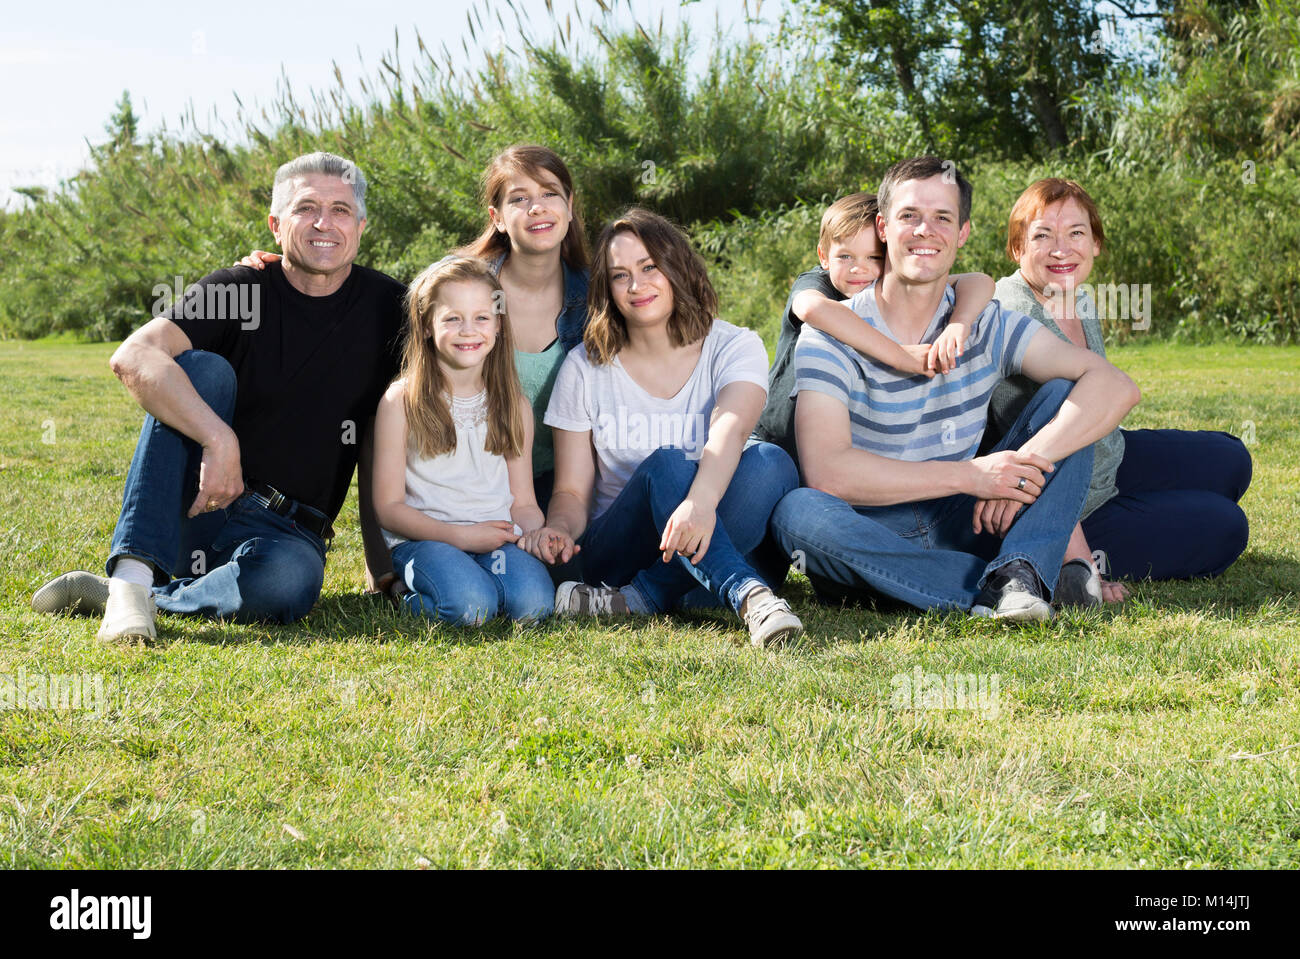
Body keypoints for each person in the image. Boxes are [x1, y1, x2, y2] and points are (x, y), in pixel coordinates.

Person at [32, 152, 404, 642]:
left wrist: (383, 567)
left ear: (359, 225)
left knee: (288, 585)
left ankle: (141, 595)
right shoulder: (238, 287)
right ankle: (132, 584)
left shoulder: (391, 308)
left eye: (339, 210)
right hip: (200, 506)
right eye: (305, 207)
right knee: (200, 368)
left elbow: (388, 430)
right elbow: (134, 355)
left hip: (289, 534)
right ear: (275, 225)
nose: (323, 223)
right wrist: (219, 438)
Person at [771, 156, 1142, 622]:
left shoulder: (984, 322)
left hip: (972, 519)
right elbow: (830, 473)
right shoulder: (832, 333)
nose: (926, 230)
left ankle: (1018, 571)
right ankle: (1006, 581)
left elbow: (1115, 386)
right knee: (797, 512)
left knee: (1065, 396)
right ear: (884, 228)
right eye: (910, 216)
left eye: (942, 217)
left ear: (962, 233)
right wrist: (971, 475)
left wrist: (1018, 471)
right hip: (871, 526)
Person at [525, 207, 804, 647]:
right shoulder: (584, 367)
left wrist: (699, 503)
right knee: (668, 464)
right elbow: (573, 491)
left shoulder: (733, 345)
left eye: (650, 266)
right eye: (620, 275)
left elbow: (729, 427)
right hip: (619, 551)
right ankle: (749, 595)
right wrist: (558, 526)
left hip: (707, 528)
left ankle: (645, 597)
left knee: (773, 462)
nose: (637, 286)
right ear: (607, 289)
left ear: (677, 266)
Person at [982, 177, 1251, 600]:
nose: (1061, 248)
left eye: (1076, 233)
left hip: (1108, 456)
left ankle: (1159, 501)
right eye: (1042, 236)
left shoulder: (1078, 297)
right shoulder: (1014, 312)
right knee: (1225, 527)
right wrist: (1084, 566)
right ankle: (1065, 552)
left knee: (1232, 459)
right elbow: (1038, 458)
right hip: (1065, 501)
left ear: (1096, 244)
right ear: (1017, 248)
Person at [373, 256, 553, 624]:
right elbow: (389, 508)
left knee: (535, 605)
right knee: (471, 607)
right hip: (427, 540)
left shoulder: (513, 404)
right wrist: (462, 537)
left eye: (482, 317)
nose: (469, 330)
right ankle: (404, 591)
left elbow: (523, 504)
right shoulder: (401, 401)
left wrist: (536, 534)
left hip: (496, 541)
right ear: (426, 325)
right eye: (452, 318)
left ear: (498, 325)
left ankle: (478, 583)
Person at [755, 191, 996, 463]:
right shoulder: (819, 284)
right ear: (824, 256)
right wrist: (900, 356)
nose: (858, 269)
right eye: (845, 256)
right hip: (776, 438)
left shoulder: (889, 293)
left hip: (838, 446)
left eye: (874, 258)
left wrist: (958, 324)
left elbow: (979, 281)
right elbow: (812, 308)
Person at [458, 144, 591, 510]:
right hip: (472, 481)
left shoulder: (599, 297)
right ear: (497, 217)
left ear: (569, 206)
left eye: (550, 193)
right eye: (519, 198)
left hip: (569, 485)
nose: (537, 207)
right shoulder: (460, 292)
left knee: (572, 567)